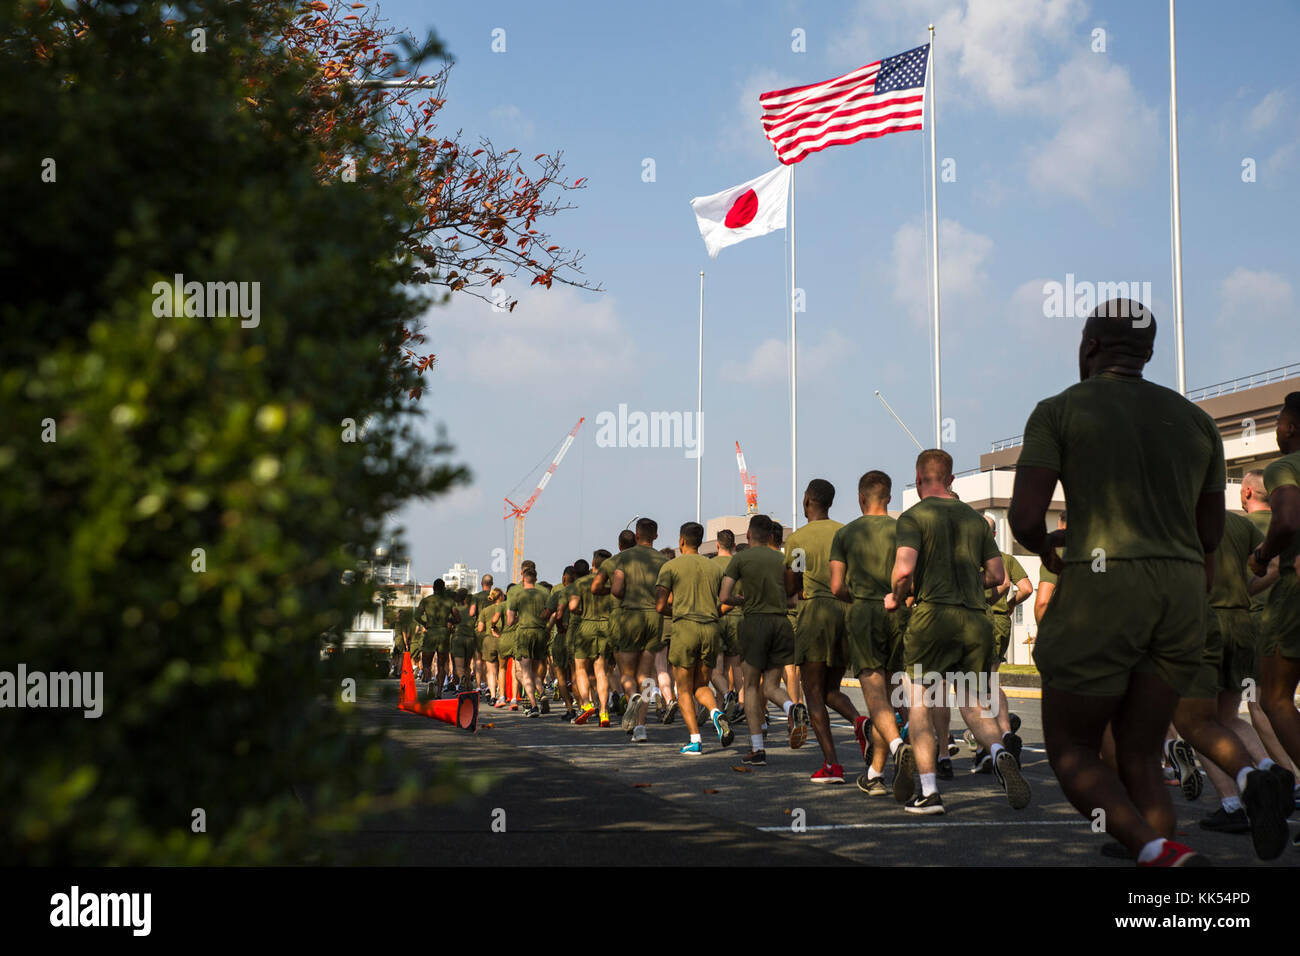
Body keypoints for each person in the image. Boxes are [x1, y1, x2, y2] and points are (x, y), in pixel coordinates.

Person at [1009, 300, 1288, 865]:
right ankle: (1183, 837)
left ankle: (1154, 849)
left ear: (1089, 345)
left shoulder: (1058, 411)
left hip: (1106, 582)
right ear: (1150, 351)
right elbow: (1209, 532)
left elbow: (1024, 518)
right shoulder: (1196, 421)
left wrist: (1046, 549)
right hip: (1182, 592)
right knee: (1139, 749)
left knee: (1073, 746)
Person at [890, 448, 1028, 815]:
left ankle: (930, 791)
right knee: (973, 703)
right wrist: (967, 582)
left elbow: (904, 571)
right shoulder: (976, 521)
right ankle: (997, 752)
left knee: (920, 701)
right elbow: (997, 575)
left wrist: (896, 596)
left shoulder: (913, 517)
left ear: (918, 479)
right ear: (951, 479)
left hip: (932, 618)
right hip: (976, 621)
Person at [830, 470, 910, 797]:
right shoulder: (904, 530)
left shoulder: (846, 534)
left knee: (874, 694)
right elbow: (910, 576)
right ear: (889, 497)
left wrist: (859, 598)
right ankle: (875, 774)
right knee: (890, 696)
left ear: (861, 498)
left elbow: (837, 586)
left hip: (864, 612)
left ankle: (898, 746)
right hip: (898, 611)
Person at [1250, 391, 1300, 825]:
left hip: (1293, 597)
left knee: (1275, 699)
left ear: (1293, 427)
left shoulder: (1284, 467)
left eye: (1280, 421)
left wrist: (1263, 554)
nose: (1277, 428)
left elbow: (1285, 522)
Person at [785, 479, 854, 783]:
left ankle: (832, 765)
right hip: (845, 613)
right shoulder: (845, 533)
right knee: (831, 690)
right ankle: (861, 721)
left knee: (813, 692)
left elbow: (791, 584)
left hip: (814, 614)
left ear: (807, 501)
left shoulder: (799, 539)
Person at [720, 514, 798, 766]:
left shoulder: (740, 558)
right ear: (771, 536)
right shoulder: (783, 559)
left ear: (748, 535)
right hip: (781, 624)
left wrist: (742, 601)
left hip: (755, 623)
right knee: (772, 686)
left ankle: (758, 748)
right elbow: (793, 599)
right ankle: (792, 708)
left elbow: (724, 596)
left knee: (752, 686)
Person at [654, 522, 733, 754]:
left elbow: (660, 606)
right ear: (700, 542)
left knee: (684, 688)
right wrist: (712, 614)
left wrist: (679, 612)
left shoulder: (670, 566)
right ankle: (716, 712)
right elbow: (727, 601)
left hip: (684, 629)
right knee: (701, 684)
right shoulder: (715, 568)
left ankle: (695, 740)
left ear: (681, 541)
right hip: (710, 629)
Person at [1240, 470, 1294, 774]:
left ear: (1247, 492)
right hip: (1290, 621)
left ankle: (1291, 777)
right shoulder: (1287, 526)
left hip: (1256, 626)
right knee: (1283, 700)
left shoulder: (1239, 528)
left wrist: (1242, 593)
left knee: (1258, 704)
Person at [602, 519, 670, 743]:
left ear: (637, 534)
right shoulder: (664, 561)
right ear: (656, 536)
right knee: (647, 676)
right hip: (654, 619)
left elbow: (617, 589)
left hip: (630, 617)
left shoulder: (624, 557)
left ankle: (632, 696)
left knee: (627, 673)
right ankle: (641, 727)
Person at [570, 555, 611, 726]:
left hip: (586, 625)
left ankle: (586, 704)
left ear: (593, 563)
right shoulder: (610, 582)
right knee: (601, 671)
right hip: (606, 626)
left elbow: (573, 606)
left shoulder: (580, 583)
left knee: (580, 668)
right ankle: (604, 712)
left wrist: (581, 611)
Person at [711, 528, 745, 723]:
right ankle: (741, 704)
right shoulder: (740, 564)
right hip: (737, 617)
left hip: (716, 618)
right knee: (736, 666)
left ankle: (722, 703)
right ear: (734, 545)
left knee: (717, 669)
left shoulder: (711, 565)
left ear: (717, 544)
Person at [506, 567, 550, 716]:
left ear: (523, 579)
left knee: (525, 672)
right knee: (534, 670)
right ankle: (542, 692)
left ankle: (533, 705)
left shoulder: (517, 595)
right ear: (536, 579)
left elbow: (510, 621)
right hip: (540, 633)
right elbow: (550, 613)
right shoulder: (544, 593)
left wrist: (521, 617)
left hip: (524, 633)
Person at [413, 579, 458, 696]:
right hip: (444, 633)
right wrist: (450, 621)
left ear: (433, 588)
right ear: (443, 589)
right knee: (441, 664)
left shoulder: (426, 601)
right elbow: (458, 618)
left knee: (426, 663)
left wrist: (425, 623)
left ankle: (430, 681)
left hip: (431, 633)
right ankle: (439, 692)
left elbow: (416, 616)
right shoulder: (449, 602)